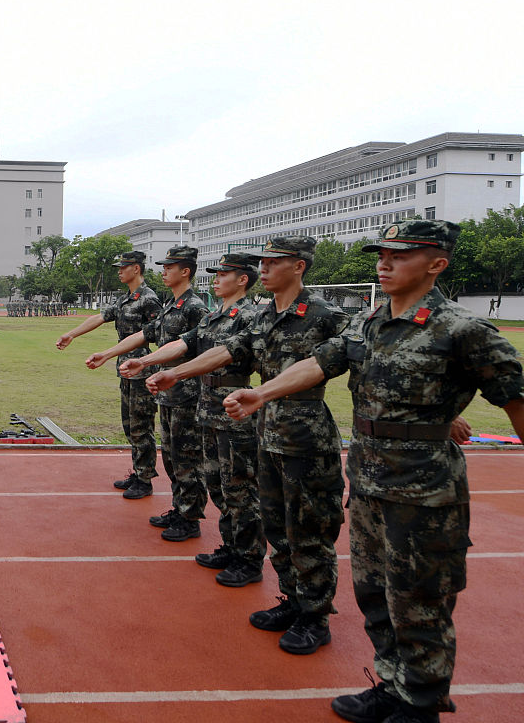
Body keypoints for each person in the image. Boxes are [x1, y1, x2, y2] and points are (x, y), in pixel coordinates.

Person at [222, 220, 524, 723]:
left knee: (420, 601)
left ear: (436, 264)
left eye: (400, 255)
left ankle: (420, 703)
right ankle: (392, 685)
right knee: (374, 592)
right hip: (367, 480)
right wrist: (262, 393)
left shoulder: (463, 330)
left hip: (426, 493)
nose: (384, 264)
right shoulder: (369, 323)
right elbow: (318, 363)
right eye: (381, 254)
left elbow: (516, 400)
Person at [144, 236, 349, 654]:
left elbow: (367, 358)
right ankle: (292, 601)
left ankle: (315, 616)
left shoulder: (326, 315)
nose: (265, 268)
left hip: (306, 434)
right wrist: (174, 374)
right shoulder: (262, 317)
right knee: (277, 524)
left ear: (299, 266)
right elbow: (226, 350)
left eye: (274, 262)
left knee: (307, 526)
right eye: (263, 262)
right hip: (265, 429)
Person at [119, 252, 265, 586]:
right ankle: (231, 547)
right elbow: (183, 344)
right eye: (215, 273)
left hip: (233, 407)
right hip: (207, 405)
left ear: (243, 279)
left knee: (239, 487)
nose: (216, 278)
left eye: (224, 273)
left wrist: (174, 373)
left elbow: (221, 355)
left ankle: (249, 558)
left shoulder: (249, 316)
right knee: (217, 483)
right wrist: (145, 362)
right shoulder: (215, 315)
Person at [87, 246, 208, 540]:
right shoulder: (172, 305)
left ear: (185, 271)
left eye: (169, 267)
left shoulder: (195, 307)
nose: (163, 271)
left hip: (187, 391)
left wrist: (145, 362)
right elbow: (144, 334)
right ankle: (180, 509)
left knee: (187, 456)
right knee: (171, 455)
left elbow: (198, 350)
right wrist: (107, 353)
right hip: (169, 390)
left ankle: (190, 517)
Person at [56, 252, 161, 495]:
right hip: (125, 367)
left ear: (136, 269)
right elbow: (100, 316)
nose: (119, 271)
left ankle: (145, 479)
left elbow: (157, 335)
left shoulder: (148, 299)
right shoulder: (125, 298)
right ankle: (138, 472)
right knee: (130, 424)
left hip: (141, 368)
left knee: (141, 424)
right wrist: (72, 333)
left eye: (123, 267)